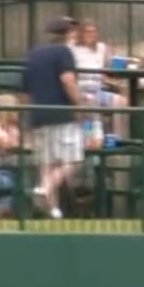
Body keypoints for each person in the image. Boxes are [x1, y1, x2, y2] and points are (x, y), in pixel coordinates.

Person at [22, 17, 83, 220]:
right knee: (72, 159)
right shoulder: (64, 52)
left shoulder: (33, 54)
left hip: (38, 114)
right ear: (67, 33)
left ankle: (53, 212)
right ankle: (45, 188)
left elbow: (26, 91)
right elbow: (68, 81)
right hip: (61, 113)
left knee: (47, 164)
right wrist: (80, 105)